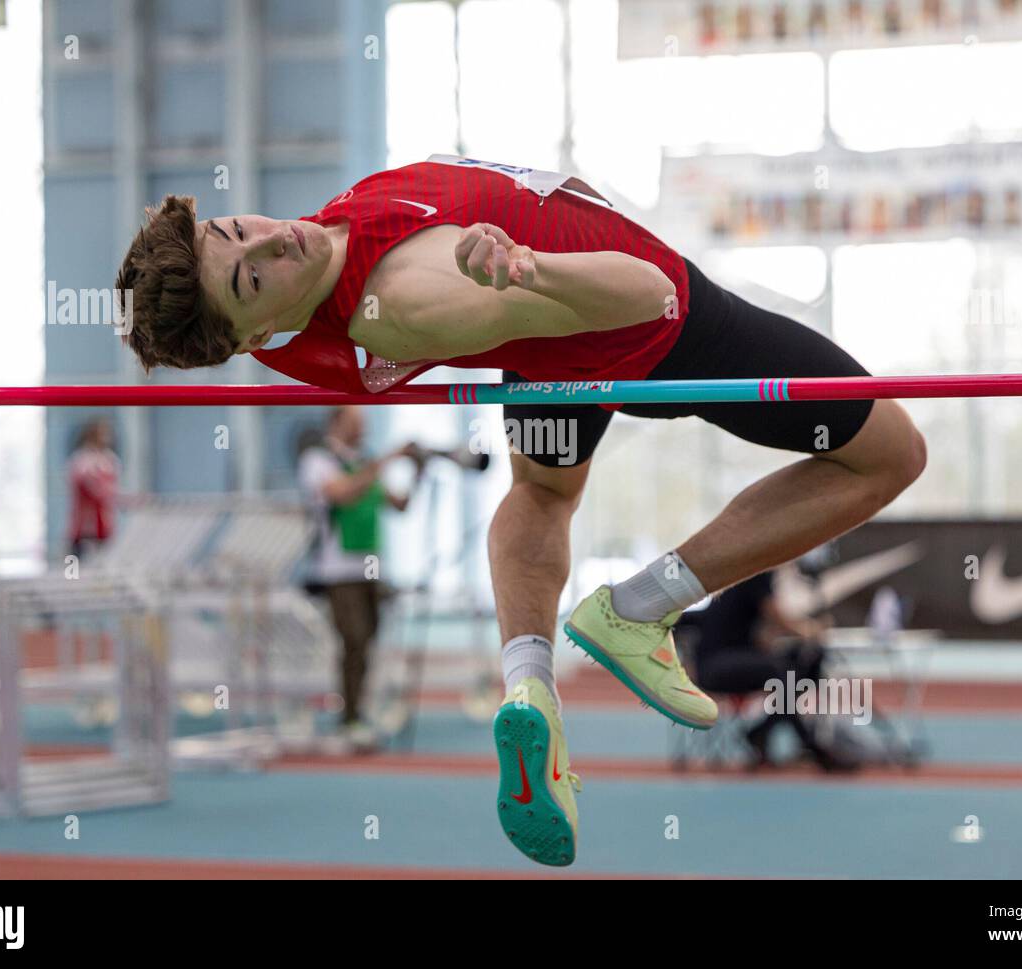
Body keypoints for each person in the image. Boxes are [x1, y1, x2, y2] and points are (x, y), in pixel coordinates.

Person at [114, 155, 927, 866]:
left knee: (541, 490)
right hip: (658, 335)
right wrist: (532, 271)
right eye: (250, 277)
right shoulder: (405, 299)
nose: (267, 240)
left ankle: (529, 686)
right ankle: (642, 606)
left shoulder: (326, 247)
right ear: (252, 338)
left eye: (234, 228)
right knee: (890, 454)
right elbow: (645, 297)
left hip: (546, 365)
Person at [297, 407, 421, 750]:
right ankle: (348, 718)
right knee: (353, 640)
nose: (362, 431)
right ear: (336, 423)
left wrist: (417, 471)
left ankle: (358, 713)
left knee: (367, 642)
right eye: (356, 424)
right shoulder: (317, 460)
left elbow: (399, 504)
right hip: (336, 570)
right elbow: (343, 492)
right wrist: (388, 458)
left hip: (369, 568)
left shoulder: (365, 462)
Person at [675, 567, 853, 772]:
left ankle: (762, 731)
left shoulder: (751, 576)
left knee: (808, 661)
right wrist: (808, 630)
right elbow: (774, 615)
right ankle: (811, 745)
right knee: (781, 674)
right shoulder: (755, 572)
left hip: (739, 657)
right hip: (716, 666)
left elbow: (761, 629)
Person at [66, 419, 120, 563]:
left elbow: (111, 490)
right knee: (72, 574)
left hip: (104, 529)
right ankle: (72, 581)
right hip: (81, 530)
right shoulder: (81, 460)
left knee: (101, 576)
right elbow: (95, 490)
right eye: (102, 434)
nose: (105, 439)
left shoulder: (109, 460)